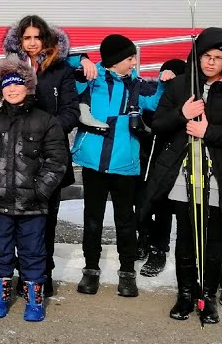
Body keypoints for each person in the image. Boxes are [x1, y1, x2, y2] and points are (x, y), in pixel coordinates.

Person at [144, 29, 222, 324]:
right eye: (207, 56)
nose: (211, 62)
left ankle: (208, 297)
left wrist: (210, 133)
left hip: (220, 177)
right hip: (184, 175)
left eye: (218, 58)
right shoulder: (182, 85)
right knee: (185, 239)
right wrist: (181, 113)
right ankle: (185, 295)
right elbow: (158, 124)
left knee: (215, 241)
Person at [70, 34, 175, 298]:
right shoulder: (91, 80)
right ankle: (91, 270)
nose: (134, 63)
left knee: (125, 220)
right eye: (129, 58)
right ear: (115, 61)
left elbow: (155, 103)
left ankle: (127, 271)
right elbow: (64, 64)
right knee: (92, 219)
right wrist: (82, 58)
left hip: (125, 163)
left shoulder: (137, 85)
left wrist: (164, 84)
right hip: (94, 162)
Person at [0, 56, 67, 322]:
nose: (12, 90)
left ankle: (34, 300)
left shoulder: (46, 121)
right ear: (0, 90)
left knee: (33, 252)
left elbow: (57, 161)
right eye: (7, 86)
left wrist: (40, 191)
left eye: (18, 85)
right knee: (0, 250)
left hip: (33, 205)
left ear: (28, 87)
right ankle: (0, 296)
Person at [1, 15, 89, 297]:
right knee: (19, 218)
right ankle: (22, 273)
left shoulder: (60, 69)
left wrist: (45, 131)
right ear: (19, 41)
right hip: (17, 155)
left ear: (46, 39)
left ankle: (42, 274)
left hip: (50, 156)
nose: (31, 43)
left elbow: (71, 112)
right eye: (26, 38)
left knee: (46, 219)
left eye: (36, 37)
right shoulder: (9, 68)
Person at [138, 58, 189, 278]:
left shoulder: (190, 99)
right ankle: (143, 238)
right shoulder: (156, 95)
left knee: (164, 207)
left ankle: (159, 249)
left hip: (176, 161)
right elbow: (151, 118)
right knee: (143, 203)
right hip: (148, 159)